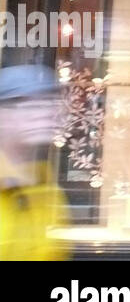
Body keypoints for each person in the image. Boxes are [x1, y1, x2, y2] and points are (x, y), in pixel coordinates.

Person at [0, 64, 69, 260]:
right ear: (2, 114)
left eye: (51, 103)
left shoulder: (46, 187)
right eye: (32, 105)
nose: (47, 113)